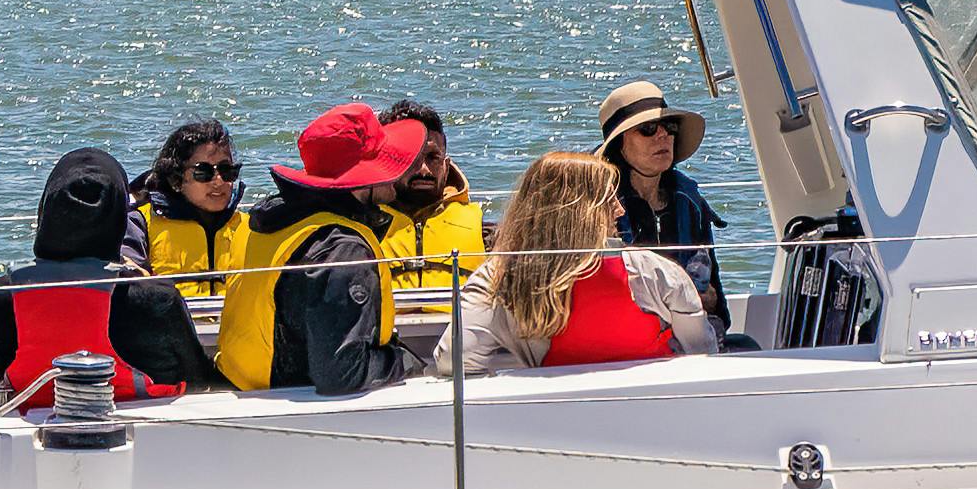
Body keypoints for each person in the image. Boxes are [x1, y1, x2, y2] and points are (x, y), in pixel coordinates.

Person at [0, 146, 229, 406]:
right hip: (155, 434)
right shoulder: (157, 299)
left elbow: (4, 370)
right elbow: (198, 380)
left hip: (39, 424)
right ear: (119, 218)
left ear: (45, 211)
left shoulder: (4, 295)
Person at [441, 152, 725, 373]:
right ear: (581, 213)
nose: (619, 209)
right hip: (655, 407)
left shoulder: (498, 279)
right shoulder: (654, 272)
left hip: (561, 416)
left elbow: (453, 361)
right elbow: (702, 352)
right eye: (609, 200)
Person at [226, 101, 430, 396]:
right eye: (386, 161)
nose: (398, 173)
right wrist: (404, 362)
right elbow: (342, 374)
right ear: (364, 179)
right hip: (299, 410)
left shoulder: (274, 218)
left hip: (249, 392)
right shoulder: (343, 250)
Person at [593, 78, 730, 322]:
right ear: (619, 145)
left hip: (689, 333)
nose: (663, 135)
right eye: (648, 129)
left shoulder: (690, 200)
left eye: (669, 126)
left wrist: (709, 300)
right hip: (626, 332)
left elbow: (716, 298)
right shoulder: (596, 205)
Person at [376, 101, 490, 356]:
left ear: (446, 164)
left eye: (432, 157)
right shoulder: (357, 229)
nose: (424, 169)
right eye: (412, 159)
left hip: (465, 349)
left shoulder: (484, 230)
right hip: (381, 349)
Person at [133, 115, 250, 355]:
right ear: (176, 180)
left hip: (239, 346)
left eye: (227, 171)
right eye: (203, 173)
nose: (219, 182)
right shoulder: (141, 223)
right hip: (168, 349)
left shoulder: (252, 227)